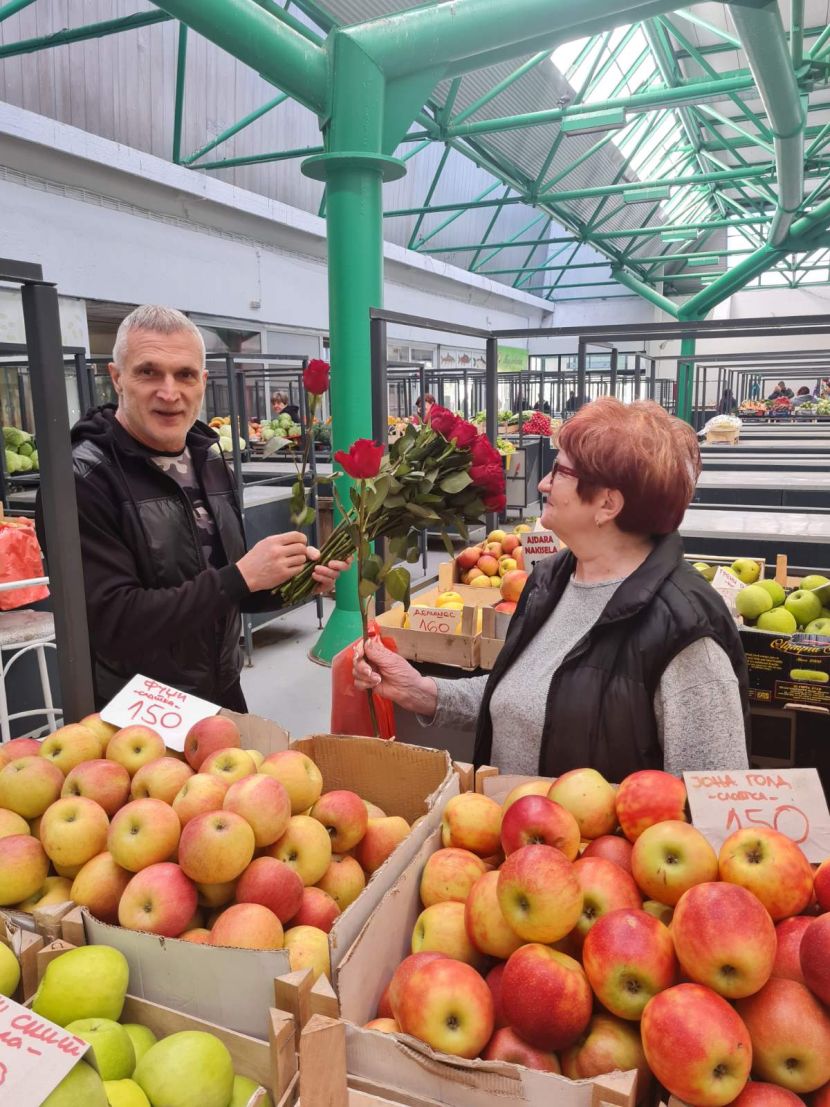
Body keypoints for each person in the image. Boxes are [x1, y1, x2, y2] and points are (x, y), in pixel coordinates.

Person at [354, 397, 750, 779]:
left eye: (560, 472)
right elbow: (524, 697)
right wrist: (423, 691)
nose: (543, 483)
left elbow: (711, 796)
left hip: (586, 847)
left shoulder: (686, 631)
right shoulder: (551, 579)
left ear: (607, 504)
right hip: (517, 837)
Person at [60, 306, 348, 710]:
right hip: (139, 712)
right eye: (148, 372)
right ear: (116, 378)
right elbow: (113, 622)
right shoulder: (83, 478)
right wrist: (240, 576)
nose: (169, 392)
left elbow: (229, 594)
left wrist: (294, 584)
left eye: (185, 374)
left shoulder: (208, 459)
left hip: (222, 693)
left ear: (203, 381)